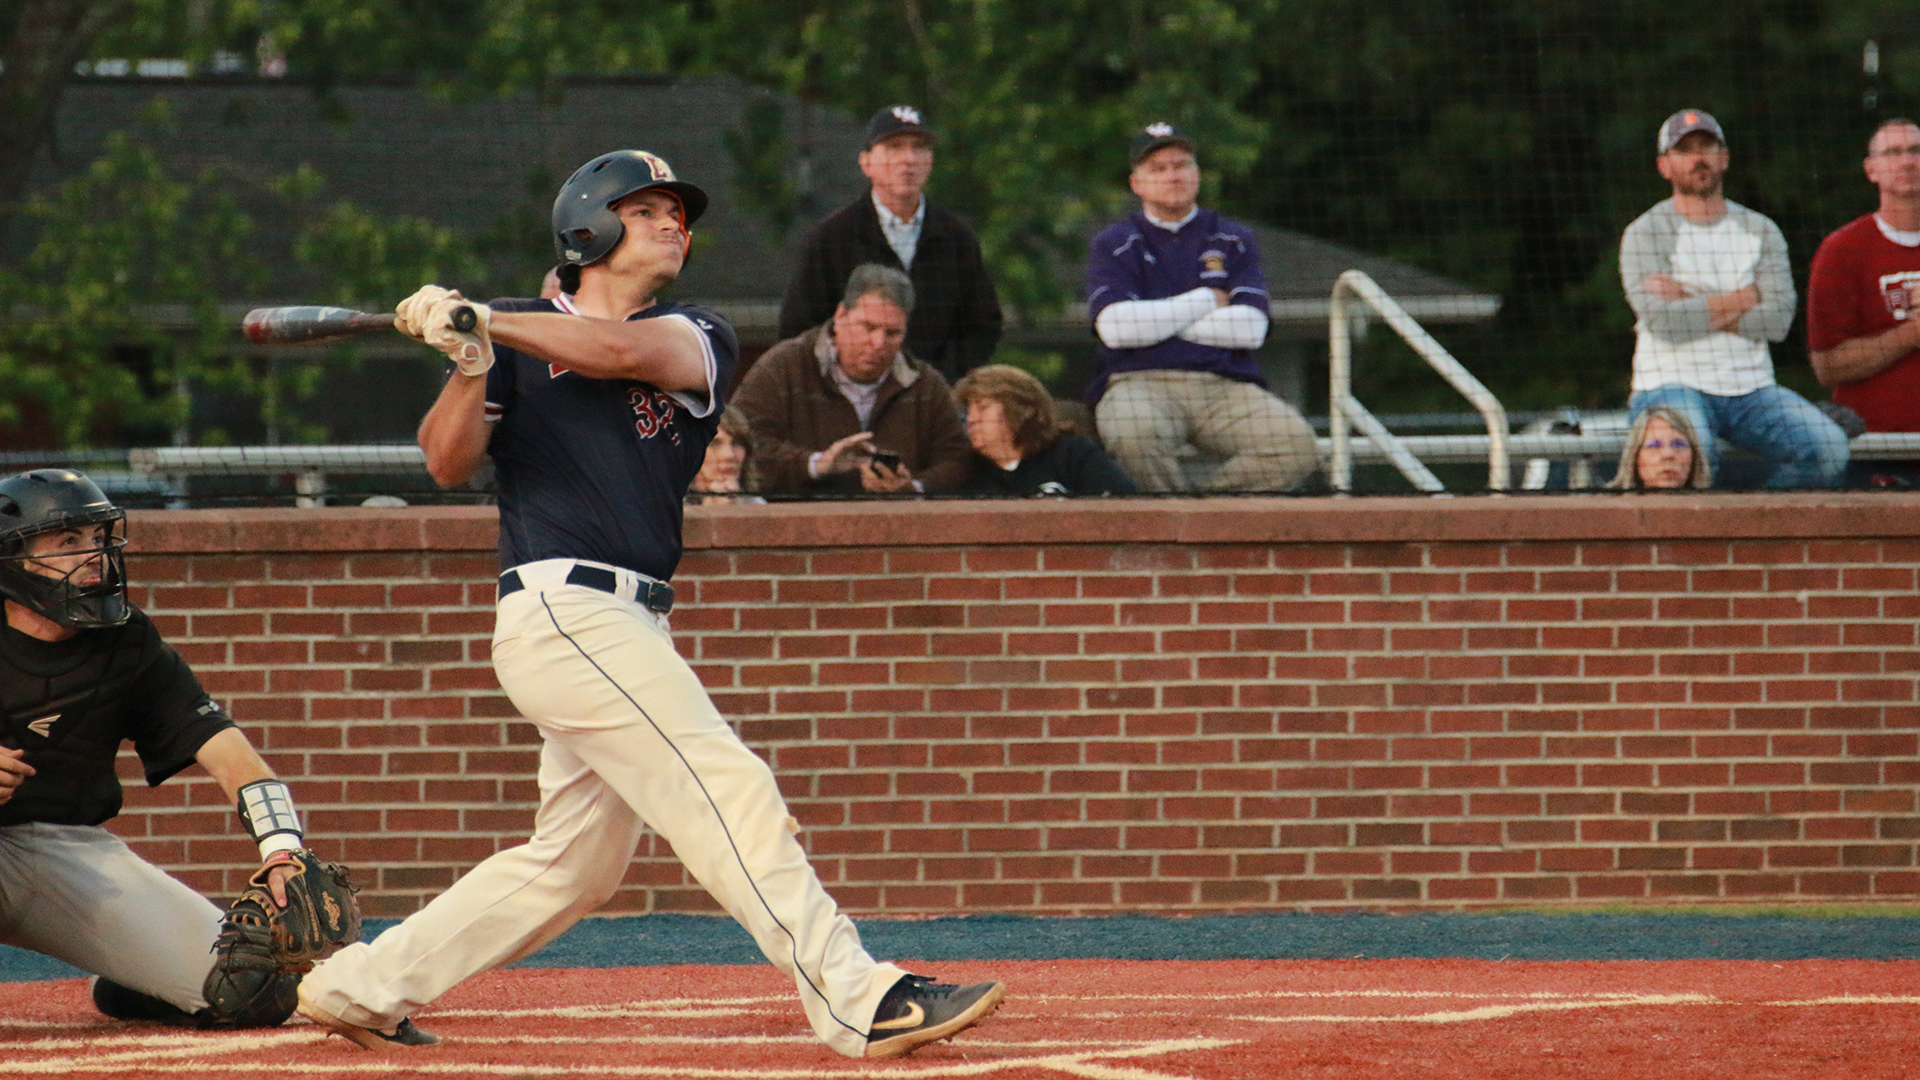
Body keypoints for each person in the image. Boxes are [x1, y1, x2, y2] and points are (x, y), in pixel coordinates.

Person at [293, 150, 1002, 1059]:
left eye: (677, 212)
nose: (675, 224)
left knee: (573, 866)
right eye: (648, 208)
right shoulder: (512, 340)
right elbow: (445, 461)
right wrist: (469, 359)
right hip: (561, 607)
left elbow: (620, 351)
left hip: (630, 617)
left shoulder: (697, 332)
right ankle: (857, 997)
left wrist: (494, 321)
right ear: (589, 223)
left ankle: (360, 985)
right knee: (727, 782)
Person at [0, 468, 352, 1034]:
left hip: (52, 847)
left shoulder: (126, 640)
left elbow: (231, 754)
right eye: (68, 541)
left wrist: (284, 847)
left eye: (97, 538)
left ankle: (134, 982)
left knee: (251, 992)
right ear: (12, 559)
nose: (93, 555)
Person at [1620, 108, 1848, 489]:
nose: (1698, 159)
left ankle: (1753, 536)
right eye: (1684, 150)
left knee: (1829, 450)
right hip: (1668, 383)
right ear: (1664, 166)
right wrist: (1746, 297)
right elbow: (1665, 323)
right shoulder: (1644, 233)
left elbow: (1776, 322)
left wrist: (1690, 297)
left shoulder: (1761, 230)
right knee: (1689, 453)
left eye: (1706, 147)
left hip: (1752, 387)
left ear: (1723, 158)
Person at [1085, 122, 1319, 493]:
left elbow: (1250, 329)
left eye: (1181, 165)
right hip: (1139, 382)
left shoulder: (1233, 238)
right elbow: (1115, 330)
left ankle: (1202, 512)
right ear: (1137, 184)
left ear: (1196, 175)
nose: (1172, 176)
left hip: (1224, 384)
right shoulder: (1114, 243)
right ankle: (1169, 524)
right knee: (1132, 433)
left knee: (1296, 446)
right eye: (1158, 169)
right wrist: (1206, 301)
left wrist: (1154, 320)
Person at [777, 105, 1002, 381]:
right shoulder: (832, 239)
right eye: (893, 147)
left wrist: (937, 380)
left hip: (936, 401)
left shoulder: (956, 238)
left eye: (919, 148)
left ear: (931, 161)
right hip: (851, 397)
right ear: (866, 162)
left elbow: (982, 324)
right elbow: (799, 328)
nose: (908, 159)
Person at [736, 263, 974, 496]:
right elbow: (738, 442)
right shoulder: (783, 368)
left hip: (896, 528)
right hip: (801, 527)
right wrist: (816, 464)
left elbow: (959, 460)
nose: (879, 343)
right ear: (840, 316)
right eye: (868, 327)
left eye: (893, 333)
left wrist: (913, 487)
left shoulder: (925, 385)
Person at [1807, 117, 1920, 486]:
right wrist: (1912, 333)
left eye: (1916, 150)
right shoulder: (1842, 251)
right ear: (1871, 170)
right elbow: (1828, 367)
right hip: (1876, 454)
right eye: (1893, 152)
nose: (1907, 161)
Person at [951, 365, 1137, 497]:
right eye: (969, 410)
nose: (971, 419)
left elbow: (1125, 507)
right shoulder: (970, 474)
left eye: (982, 408)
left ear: (1021, 410)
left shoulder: (1073, 456)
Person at [1605, 406, 1712, 490]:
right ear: (1635, 457)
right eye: (1654, 446)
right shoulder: (1606, 510)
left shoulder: (1712, 512)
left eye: (1679, 444)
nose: (1668, 454)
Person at [687, 405, 765, 504]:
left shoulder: (759, 509)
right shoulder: (667, 507)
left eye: (737, 443)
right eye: (714, 444)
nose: (729, 455)